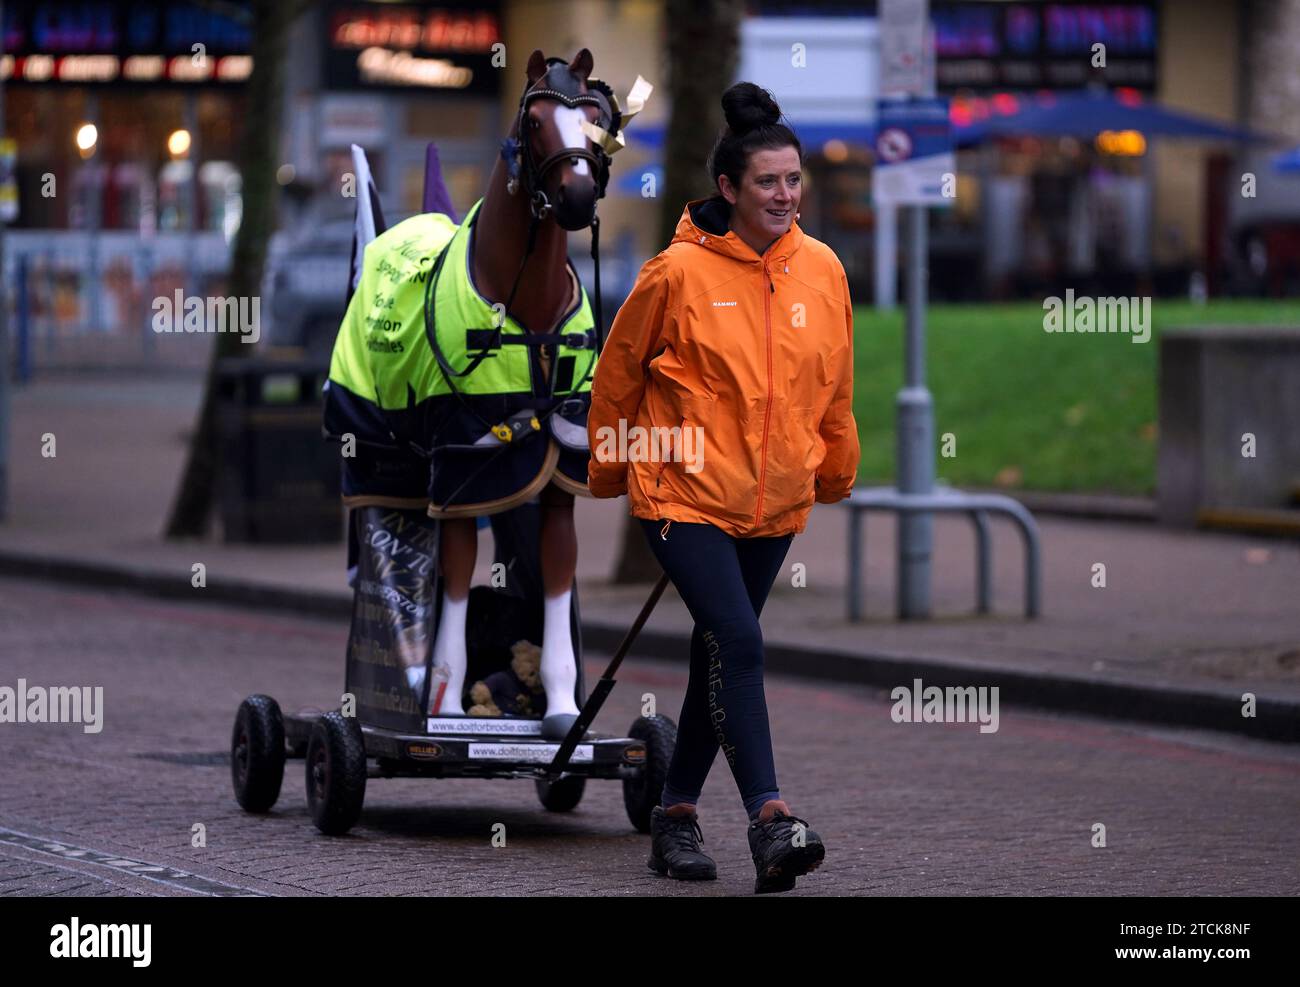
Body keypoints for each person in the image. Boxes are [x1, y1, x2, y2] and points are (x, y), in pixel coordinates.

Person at [587, 82, 860, 893]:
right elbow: (618, 377)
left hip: (772, 501)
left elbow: (835, 386)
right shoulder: (675, 273)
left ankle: (673, 819)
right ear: (730, 190)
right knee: (739, 643)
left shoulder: (823, 270)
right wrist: (615, 469)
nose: (784, 194)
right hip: (681, 498)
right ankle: (772, 820)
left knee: (718, 649)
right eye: (768, 182)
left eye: (793, 179)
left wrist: (833, 471)